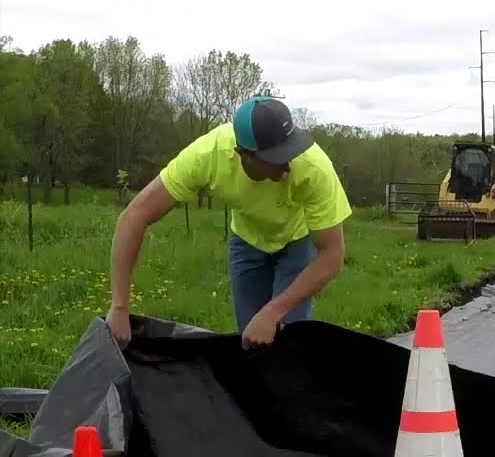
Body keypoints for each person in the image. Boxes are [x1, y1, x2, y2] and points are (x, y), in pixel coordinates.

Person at [107, 96, 352, 349]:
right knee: (250, 337)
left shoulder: (314, 168)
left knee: (290, 335)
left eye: (290, 152)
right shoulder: (208, 155)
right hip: (246, 240)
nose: (288, 165)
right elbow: (132, 218)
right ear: (242, 154)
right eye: (276, 158)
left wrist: (274, 311)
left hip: (296, 240)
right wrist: (119, 306)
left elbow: (332, 255)